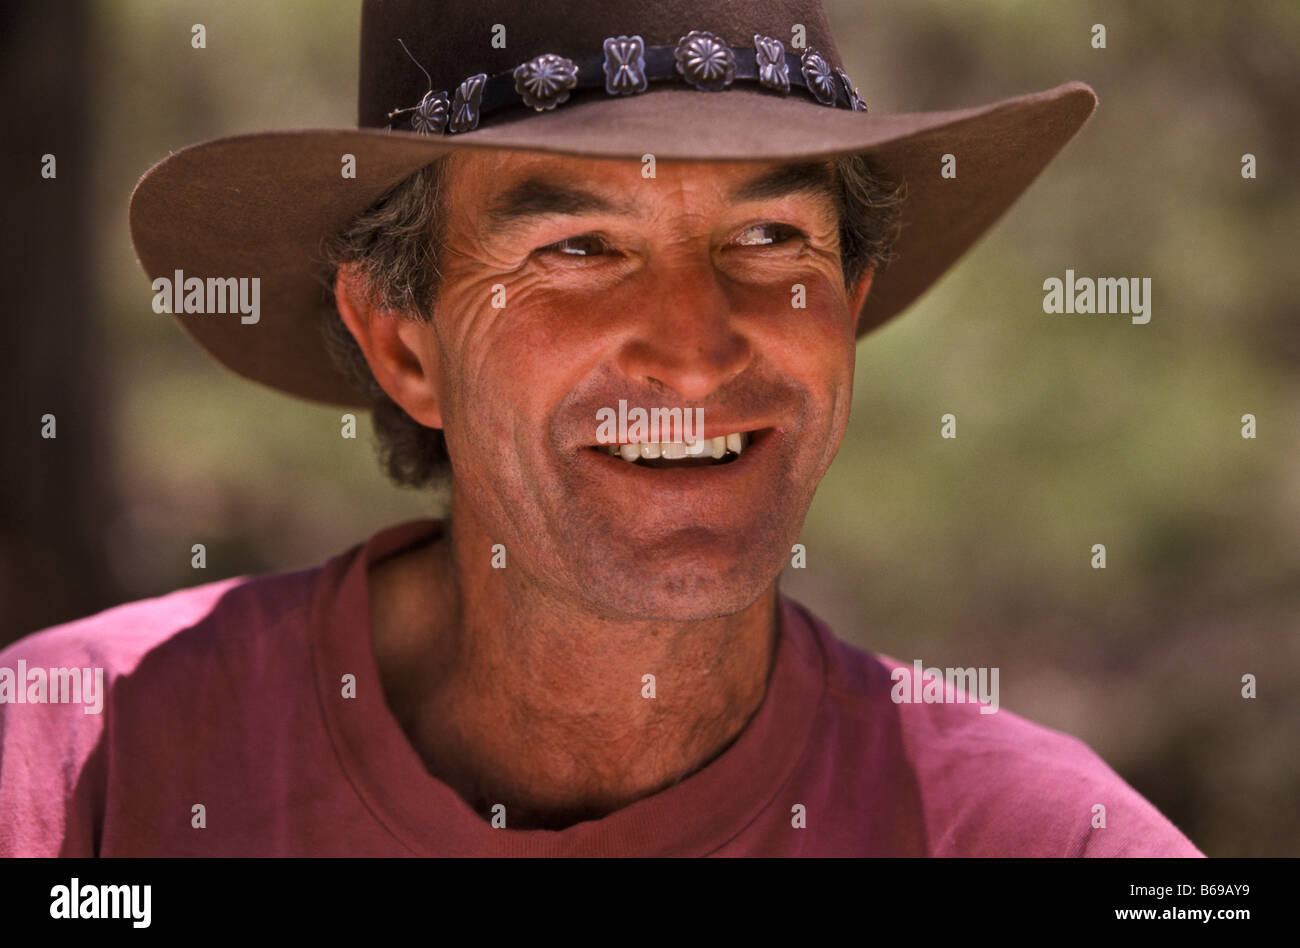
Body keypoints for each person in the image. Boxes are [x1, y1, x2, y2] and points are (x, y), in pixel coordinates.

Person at [0, 0, 1202, 856]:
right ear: (403, 343)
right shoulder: (76, 770)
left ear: (848, 308)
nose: (695, 349)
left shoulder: (1040, 838)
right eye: (578, 249)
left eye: (770, 240)